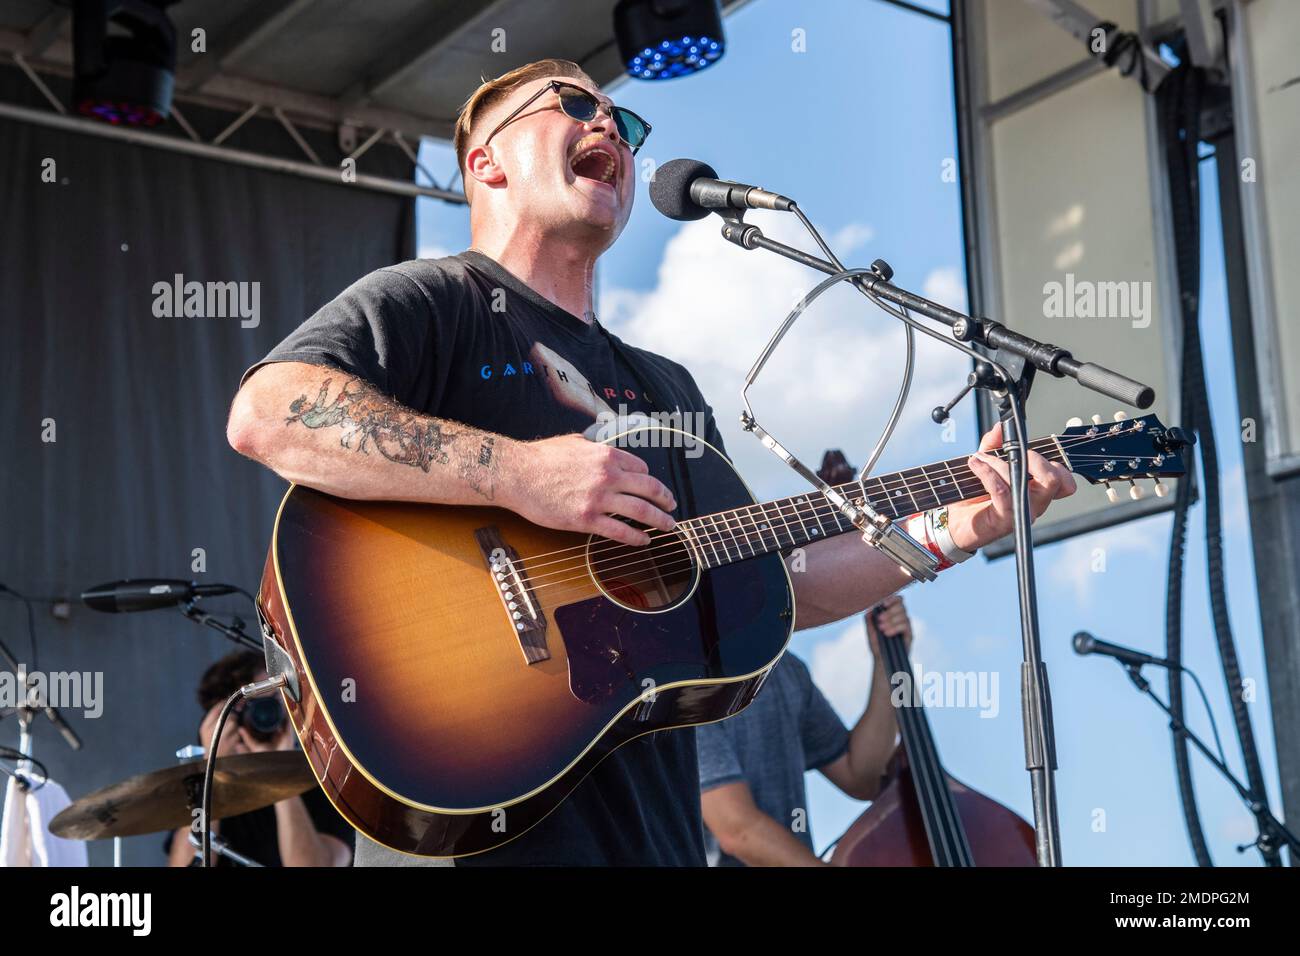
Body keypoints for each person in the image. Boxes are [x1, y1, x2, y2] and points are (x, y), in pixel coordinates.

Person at [224, 57, 1075, 866]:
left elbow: (786, 583)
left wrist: (958, 528)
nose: (612, 128)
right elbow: (268, 414)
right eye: (576, 105)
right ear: (485, 162)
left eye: (624, 120)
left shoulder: (662, 385)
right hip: (470, 829)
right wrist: (519, 475)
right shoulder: (431, 302)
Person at [698, 596, 912, 866]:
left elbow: (862, 778)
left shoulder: (787, 670)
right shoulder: (685, 682)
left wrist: (886, 663)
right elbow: (737, 830)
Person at [165, 651, 354, 867]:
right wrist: (212, 770)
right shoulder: (196, 795)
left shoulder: (326, 782)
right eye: (246, 708)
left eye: (272, 702)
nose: (263, 715)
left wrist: (276, 769)